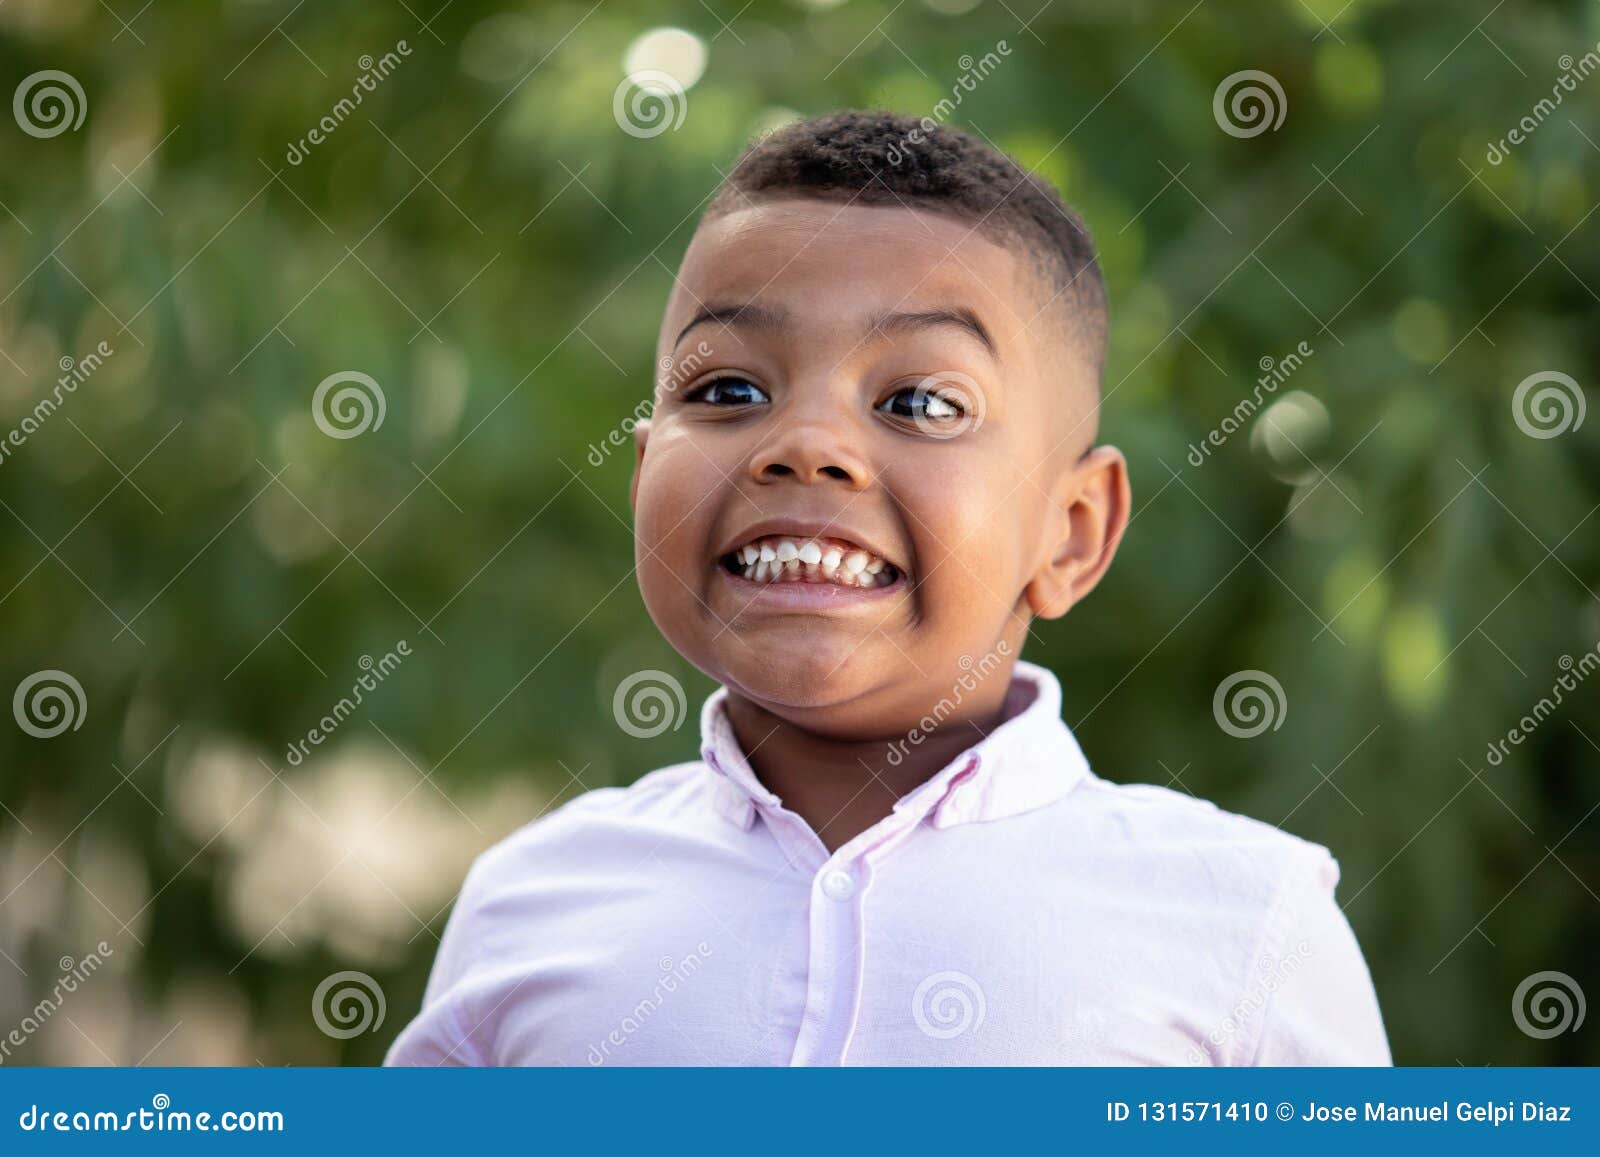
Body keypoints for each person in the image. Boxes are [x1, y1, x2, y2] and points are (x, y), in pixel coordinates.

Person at [386, 110, 1390, 1066]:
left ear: (1071, 531)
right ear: (645, 467)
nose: (805, 445)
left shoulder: (1243, 922)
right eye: (727, 389)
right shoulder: (531, 904)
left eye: (920, 401)